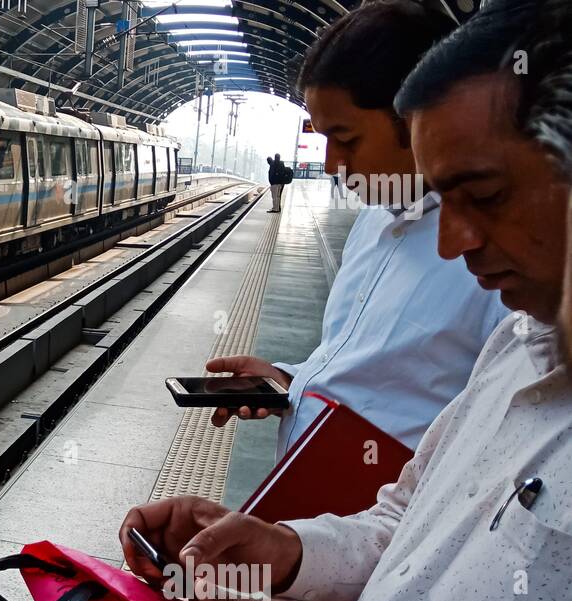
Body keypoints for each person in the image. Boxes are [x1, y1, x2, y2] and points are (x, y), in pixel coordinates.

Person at [121, 0, 572, 601]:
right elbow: (409, 519)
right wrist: (289, 549)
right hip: (322, 501)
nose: (453, 242)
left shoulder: (508, 295)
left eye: (486, 195)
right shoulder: (517, 345)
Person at [207, 0, 509, 464]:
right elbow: (364, 368)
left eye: (346, 139)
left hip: (390, 520)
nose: (332, 164)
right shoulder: (371, 223)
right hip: (317, 512)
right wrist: (293, 381)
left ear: (420, 118)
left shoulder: (504, 265)